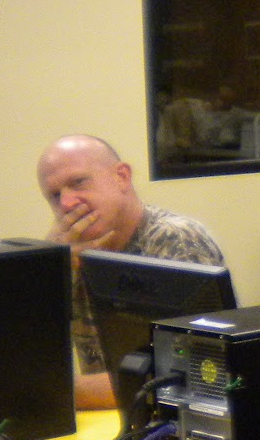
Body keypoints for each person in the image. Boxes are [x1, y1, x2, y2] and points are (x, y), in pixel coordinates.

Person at [37, 134, 224, 410]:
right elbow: (26, 362)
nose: (66, 204)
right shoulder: (72, 256)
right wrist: (49, 270)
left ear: (122, 176)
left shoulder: (174, 238)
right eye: (55, 195)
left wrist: (55, 392)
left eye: (78, 182)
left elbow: (186, 379)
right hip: (111, 425)